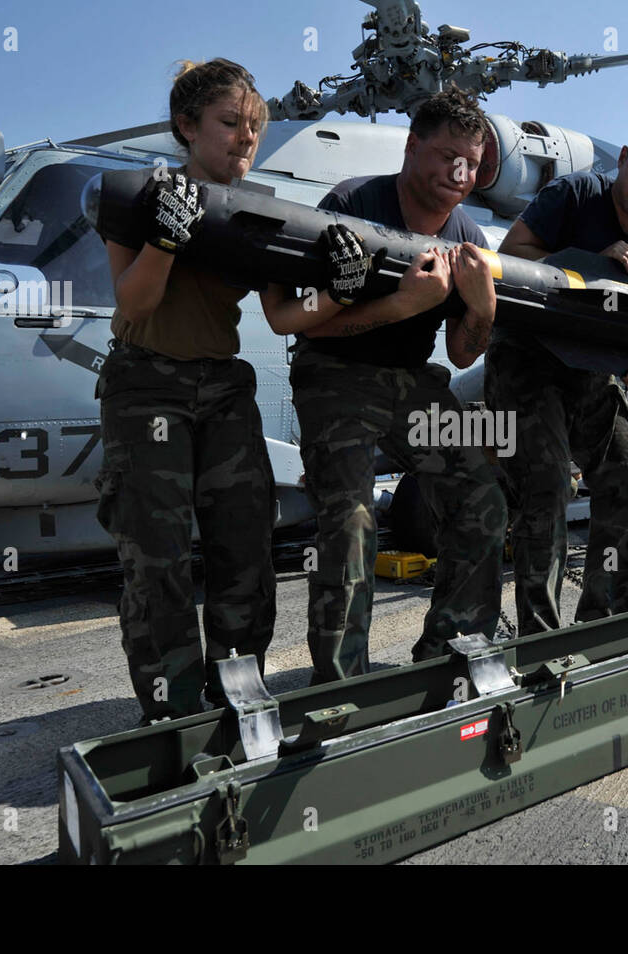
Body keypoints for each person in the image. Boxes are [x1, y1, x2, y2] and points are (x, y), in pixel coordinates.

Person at [261, 88, 507, 683]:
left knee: (482, 498)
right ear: (412, 145)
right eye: (448, 155)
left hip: (414, 380)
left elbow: (459, 352)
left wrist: (481, 310)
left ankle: (450, 648)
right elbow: (300, 316)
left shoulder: (467, 231)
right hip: (335, 372)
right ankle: (344, 681)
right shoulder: (349, 205)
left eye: (472, 164)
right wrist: (400, 306)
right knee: (349, 519)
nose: (460, 173)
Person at [95, 58, 276, 723]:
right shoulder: (135, 197)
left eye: (253, 127)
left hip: (224, 386)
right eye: (231, 123)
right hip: (147, 384)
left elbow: (286, 313)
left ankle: (238, 691)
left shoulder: (253, 214)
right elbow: (134, 302)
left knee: (246, 547)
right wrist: (168, 234)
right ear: (186, 125)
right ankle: (171, 709)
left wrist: (342, 277)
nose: (245, 138)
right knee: (157, 559)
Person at [488, 108, 628, 634]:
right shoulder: (574, 195)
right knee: (548, 483)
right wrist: (588, 263)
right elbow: (512, 254)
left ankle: (607, 624)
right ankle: (540, 636)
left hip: (589, 373)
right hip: (527, 361)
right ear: (623, 159)